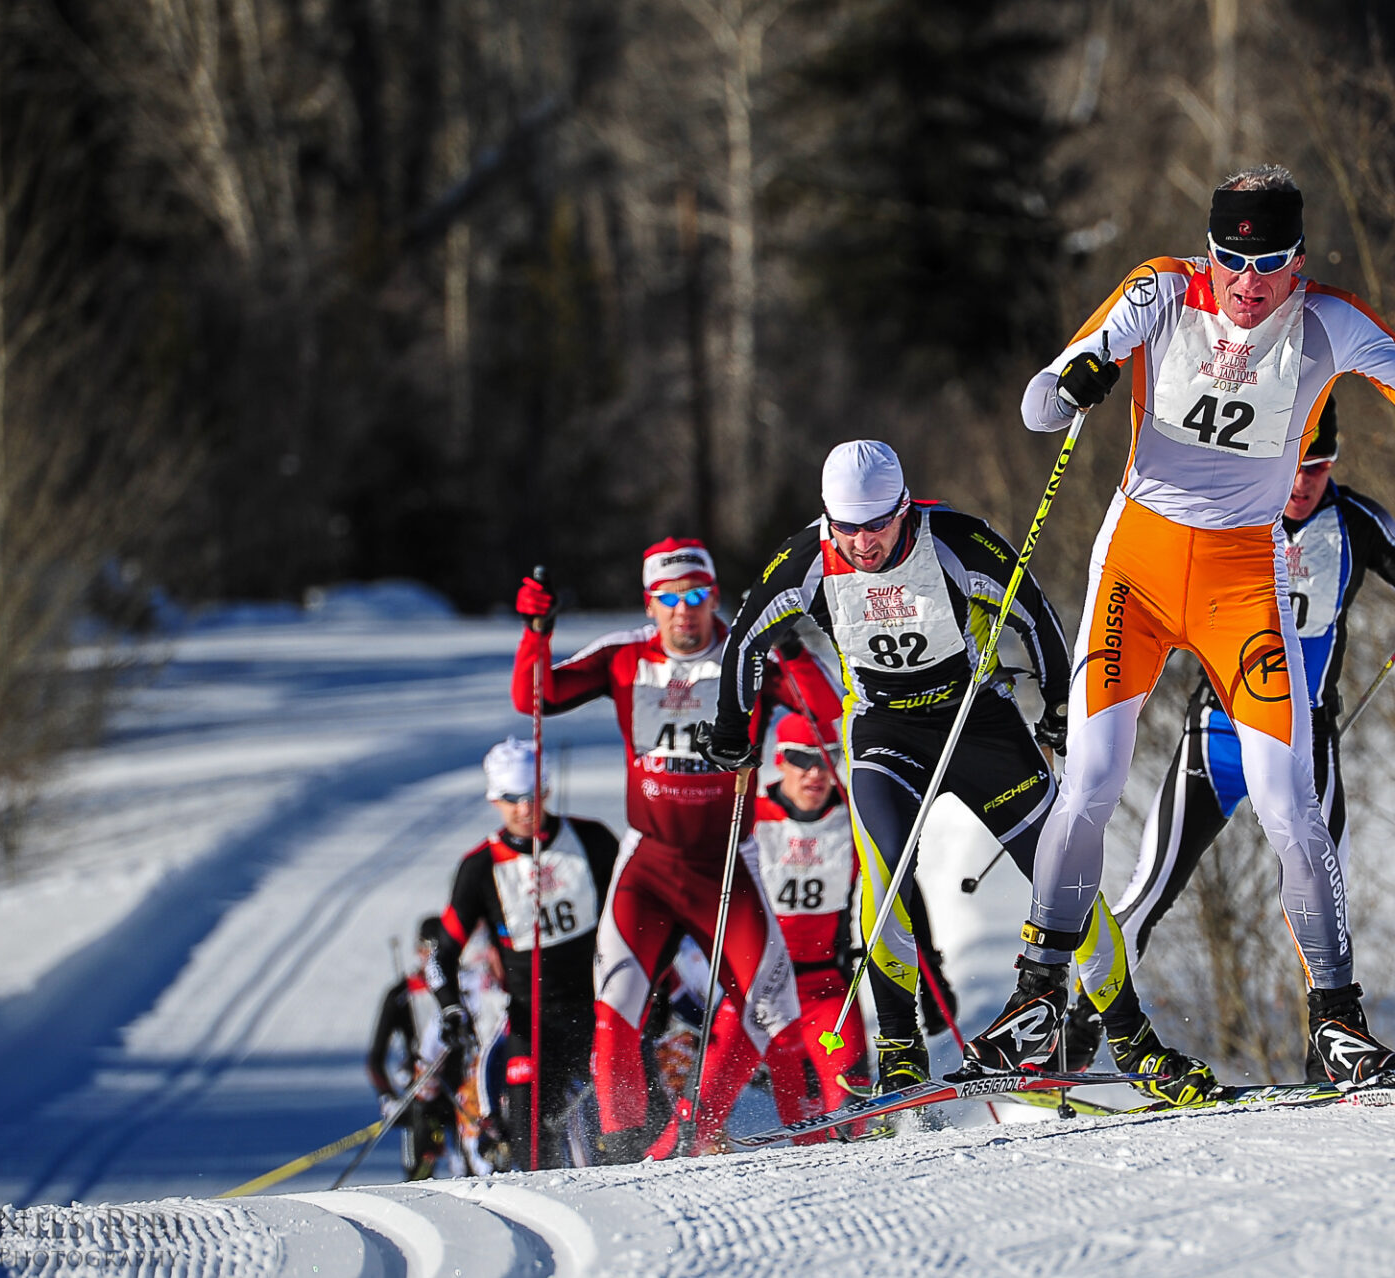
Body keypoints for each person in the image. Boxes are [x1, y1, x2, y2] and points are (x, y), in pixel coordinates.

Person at [989, 164, 1395, 1089]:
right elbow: (1036, 406)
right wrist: (1078, 381)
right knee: (1091, 782)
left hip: (1240, 581)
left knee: (1290, 802)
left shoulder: (1330, 320)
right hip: (1135, 568)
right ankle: (1037, 997)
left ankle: (1336, 1020)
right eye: (1231, 261)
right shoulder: (1160, 291)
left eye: (1272, 265)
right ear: (1209, 250)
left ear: (1302, 261)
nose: (1249, 286)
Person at [700, 440, 1202, 1104]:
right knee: (885, 875)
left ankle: (1135, 1041)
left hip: (975, 721)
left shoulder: (955, 542)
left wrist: (1059, 707)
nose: (864, 543)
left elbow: (1037, 617)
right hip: (885, 733)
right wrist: (734, 735)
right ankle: (901, 1052)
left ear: (904, 509)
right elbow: (745, 639)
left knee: (1064, 871)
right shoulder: (804, 561)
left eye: (877, 524)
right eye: (847, 527)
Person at [1104, 402, 1395, 1079]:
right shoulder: (1230, 512)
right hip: (1219, 733)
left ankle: (1327, 1052)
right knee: (1148, 892)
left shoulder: (1355, 521)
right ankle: (1077, 1027)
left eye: (1319, 468)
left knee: (1321, 899)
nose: (1303, 482)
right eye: (1296, 466)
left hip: (1305, 740)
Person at [512, 537, 845, 1159]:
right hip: (650, 865)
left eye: (695, 596)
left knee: (775, 1006)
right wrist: (536, 631)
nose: (683, 611)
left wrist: (791, 647)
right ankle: (625, 1149)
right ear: (650, 604)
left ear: (713, 596)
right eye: (669, 599)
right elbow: (537, 697)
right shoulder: (624, 657)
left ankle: (807, 1137)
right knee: (615, 1009)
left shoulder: (744, 653)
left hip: (727, 865)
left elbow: (825, 714)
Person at [429, 738, 620, 1169]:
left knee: (629, 1117)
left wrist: (657, 986)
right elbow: (441, 954)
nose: (524, 809)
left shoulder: (591, 840)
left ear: (548, 791)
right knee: (529, 1137)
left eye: (533, 796)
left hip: (601, 1008)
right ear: (495, 800)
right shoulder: (480, 868)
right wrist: (450, 1008)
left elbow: (641, 918)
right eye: (511, 800)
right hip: (532, 1020)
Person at [700, 712, 866, 1140]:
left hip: (824, 990)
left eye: (827, 758)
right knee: (700, 1116)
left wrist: (931, 969)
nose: (815, 772)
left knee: (847, 1116)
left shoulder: (855, 815)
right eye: (801, 758)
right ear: (779, 760)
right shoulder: (749, 814)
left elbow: (900, 889)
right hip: (755, 994)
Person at [366, 917, 467, 1180]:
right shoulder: (400, 995)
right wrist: (387, 1098)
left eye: (438, 953)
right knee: (418, 1178)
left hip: (460, 1094)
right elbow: (375, 1059)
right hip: (420, 1096)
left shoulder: (462, 989)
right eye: (426, 951)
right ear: (417, 950)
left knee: (474, 1171)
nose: (430, 960)